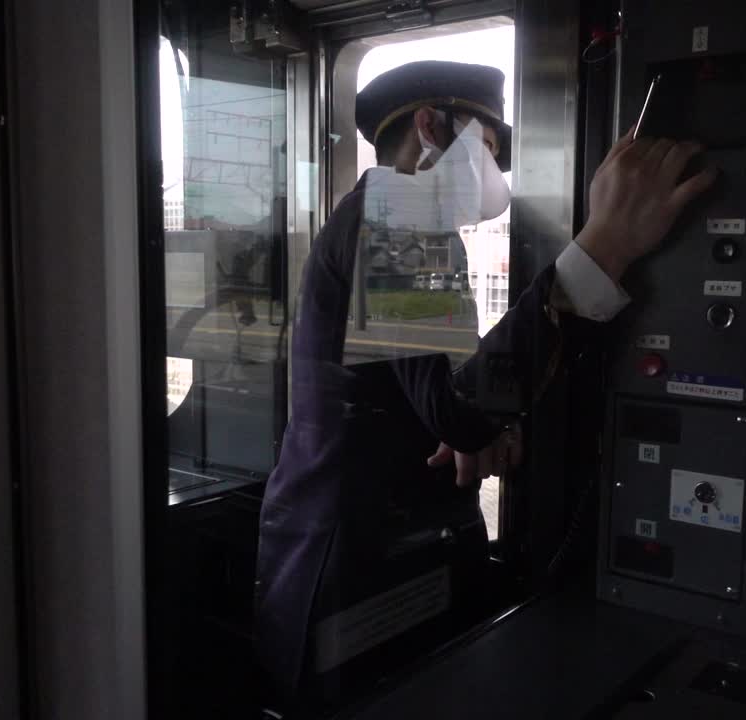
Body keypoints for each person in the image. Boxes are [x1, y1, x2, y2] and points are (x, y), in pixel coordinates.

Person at [254, 60, 716, 701]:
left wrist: (478, 422)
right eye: (489, 147)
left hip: (375, 546)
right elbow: (456, 406)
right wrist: (603, 247)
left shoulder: (393, 216)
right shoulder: (400, 212)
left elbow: (436, 392)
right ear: (430, 126)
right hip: (355, 558)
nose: (495, 172)